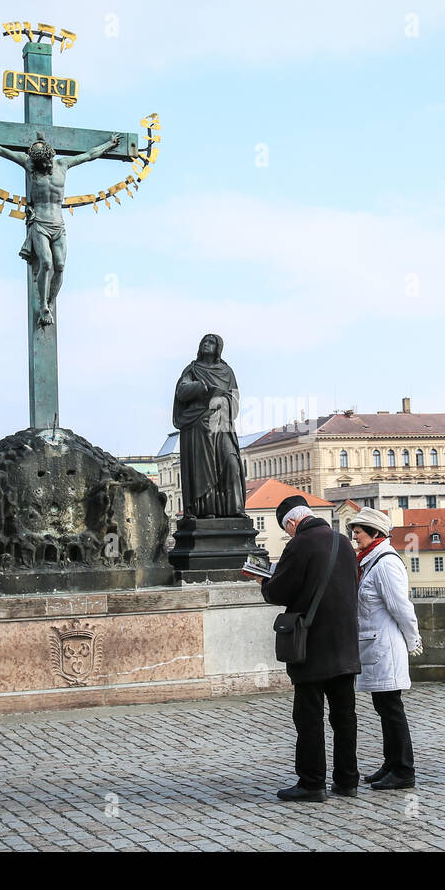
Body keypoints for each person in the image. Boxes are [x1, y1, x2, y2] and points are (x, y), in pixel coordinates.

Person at [0, 119, 121, 327]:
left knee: (60, 266)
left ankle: (51, 301)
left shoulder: (63, 165)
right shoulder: (29, 164)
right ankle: (43, 305)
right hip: (40, 224)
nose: (44, 167)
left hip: (58, 225)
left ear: (51, 156)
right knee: (46, 263)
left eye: (46, 163)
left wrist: (109, 144)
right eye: (40, 164)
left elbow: (88, 156)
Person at [259, 495, 360, 801]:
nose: (288, 534)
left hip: (312, 644)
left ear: (291, 522)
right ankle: (347, 781)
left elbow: (279, 590)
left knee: (309, 716)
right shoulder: (342, 542)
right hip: (345, 643)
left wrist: (263, 580)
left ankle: (312, 782)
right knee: (345, 716)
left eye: (286, 529)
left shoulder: (299, 545)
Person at [348, 508, 423, 791]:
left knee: (392, 708)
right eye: (354, 530)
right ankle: (391, 763)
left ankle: (404, 769)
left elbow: (401, 608)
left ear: (376, 533)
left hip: (386, 646)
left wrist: (413, 639)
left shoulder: (385, 563)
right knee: (384, 706)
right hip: (374, 644)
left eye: (359, 530)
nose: (354, 535)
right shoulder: (370, 561)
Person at [171, 334, 247, 518]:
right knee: (204, 469)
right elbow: (181, 391)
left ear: (218, 348)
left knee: (232, 463)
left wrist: (222, 401)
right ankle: (207, 510)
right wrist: (201, 387)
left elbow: (234, 400)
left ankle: (234, 509)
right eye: (204, 341)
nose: (206, 344)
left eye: (211, 342)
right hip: (199, 424)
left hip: (222, 424)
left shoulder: (227, 372)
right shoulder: (193, 369)